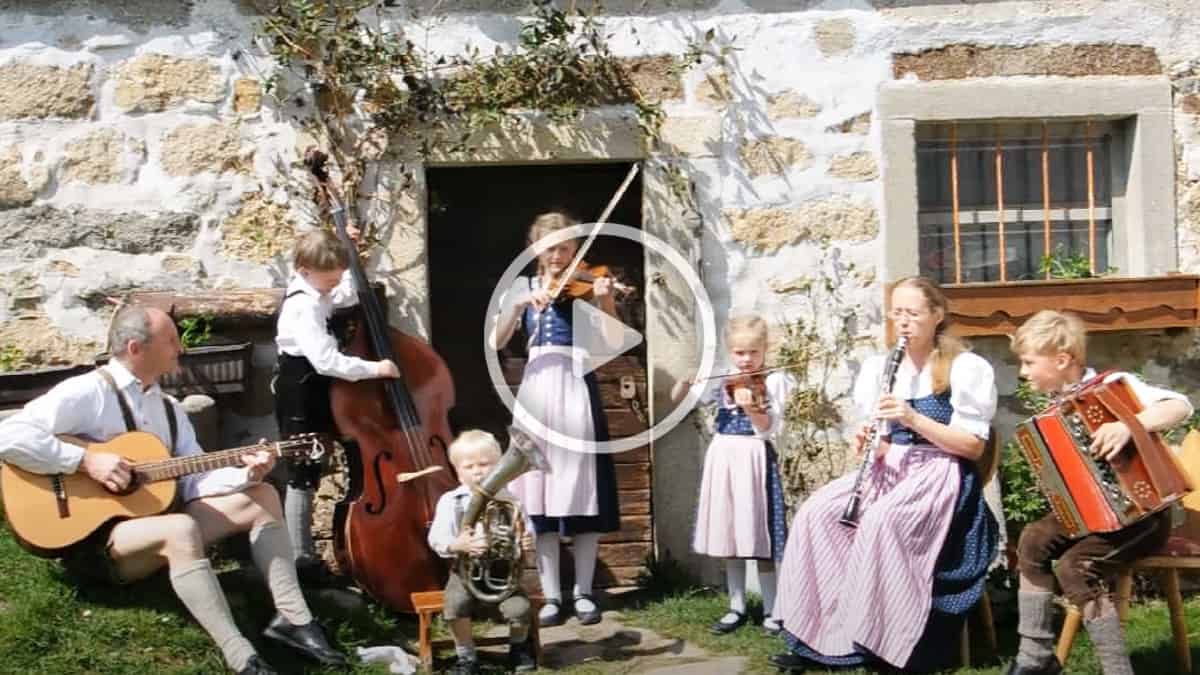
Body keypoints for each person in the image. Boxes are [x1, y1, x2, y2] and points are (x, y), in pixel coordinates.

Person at [0, 305, 348, 675]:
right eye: (170, 340)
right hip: (92, 544)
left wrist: (248, 473)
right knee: (180, 529)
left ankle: (293, 620)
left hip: (150, 525)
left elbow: (194, 477)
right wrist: (85, 462)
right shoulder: (88, 392)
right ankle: (240, 655)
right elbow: (9, 436)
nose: (179, 347)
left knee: (262, 497)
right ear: (136, 348)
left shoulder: (168, 409)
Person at [769, 276, 999, 673]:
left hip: (941, 475)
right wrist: (871, 441)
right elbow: (883, 438)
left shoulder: (964, 367)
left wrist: (912, 417)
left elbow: (972, 447)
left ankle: (884, 641)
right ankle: (815, 638)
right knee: (817, 514)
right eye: (897, 313)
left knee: (880, 522)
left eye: (913, 313)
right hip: (889, 468)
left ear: (937, 315)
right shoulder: (880, 367)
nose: (903, 322)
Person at [1006, 310, 1194, 675]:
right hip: (1087, 515)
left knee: (1074, 567)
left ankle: (1116, 669)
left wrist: (1129, 425)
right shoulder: (1054, 409)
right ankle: (1036, 659)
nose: (1024, 372)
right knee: (1031, 540)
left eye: (1029, 362)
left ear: (1062, 360)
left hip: (1141, 518)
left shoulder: (1114, 387)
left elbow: (1180, 406)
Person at [487, 211, 621, 627]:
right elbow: (496, 341)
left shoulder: (584, 288)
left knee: (583, 492)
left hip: (576, 387)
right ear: (535, 249)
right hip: (537, 391)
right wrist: (519, 303)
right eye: (550, 246)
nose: (558, 254)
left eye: (565, 246)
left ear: (575, 249)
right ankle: (550, 596)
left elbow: (612, 340)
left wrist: (605, 297)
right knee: (538, 495)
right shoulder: (522, 287)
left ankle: (583, 594)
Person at [273, 228, 400, 580]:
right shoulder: (303, 305)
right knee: (303, 469)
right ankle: (302, 558)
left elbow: (343, 295)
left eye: (336, 278)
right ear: (303, 270)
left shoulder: (319, 289)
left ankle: (346, 545)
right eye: (328, 281)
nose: (334, 286)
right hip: (300, 388)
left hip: (318, 386)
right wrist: (375, 368)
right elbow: (326, 360)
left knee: (332, 458)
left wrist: (354, 251)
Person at [669, 315, 790, 635]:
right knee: (731, 535)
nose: (746, 359)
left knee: (759, 536)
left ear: (765, 350)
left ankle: (772, 609)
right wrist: (684, 381)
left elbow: (769, 429)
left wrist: (752, 408)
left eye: (753, 352)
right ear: (729, 351)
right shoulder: (722, 379)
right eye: (739, 352)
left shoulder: (774, 381)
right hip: (723, 457)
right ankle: (735, 606)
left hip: (753, 457)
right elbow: (678, 401)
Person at [427, 430, 537, 674]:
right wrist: (459, 545)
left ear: (500, 466)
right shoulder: (450, 501)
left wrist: (526, 543)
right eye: (469, 466)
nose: (477, 471)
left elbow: (526, 532)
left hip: (502, 575)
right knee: (454, 604)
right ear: (458, 472)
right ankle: (466, 656)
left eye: (485, 464)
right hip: (465, 574)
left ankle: (518, 649)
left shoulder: (512, 501)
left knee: (520, 609)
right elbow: (436, 538)